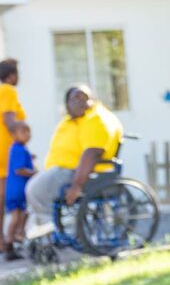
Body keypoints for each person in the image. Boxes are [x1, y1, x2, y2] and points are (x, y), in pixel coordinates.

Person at [25, 86, 122, 232]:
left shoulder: (97, 118)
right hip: (62, 170)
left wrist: (76, 186)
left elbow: (92, 153)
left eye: (85, 98)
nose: (81, 102)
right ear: (67, 104)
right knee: (28, 189)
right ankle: (42, 229)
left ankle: (51, 230)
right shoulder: (72, 120)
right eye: (76, 98)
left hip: (82, 173)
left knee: (36, 189)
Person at [0, 58, 29, 257]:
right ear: (11, 75)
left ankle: (5, 240)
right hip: (7, 150)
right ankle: (8, 240)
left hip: (7, 150)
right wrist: (21, 143)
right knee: (8, 197)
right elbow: (9, 119)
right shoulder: (8, 90)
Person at [5, 124, 35, 260]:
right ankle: (10, 243)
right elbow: (19, 170)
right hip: (16, 189)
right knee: (16, 217)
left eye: (28, 131)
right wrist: (34, 173)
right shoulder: (18, 149)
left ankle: (18, 237)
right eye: (23, 132)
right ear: (14, 135)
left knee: (24, 213)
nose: (27, 135)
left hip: (19, 189)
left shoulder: (21, 149)